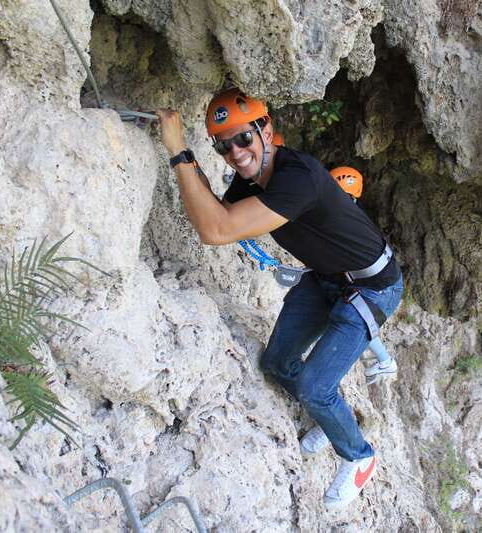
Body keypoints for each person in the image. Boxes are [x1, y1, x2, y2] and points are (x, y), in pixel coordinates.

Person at [156, 88, 403, 509]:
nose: (236, 153)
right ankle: (331, 418)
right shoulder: (250, 182)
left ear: (266, 131)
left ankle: (359, 456)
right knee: (277, 363)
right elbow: (214, 212)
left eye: (243, 139)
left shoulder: (297, 178)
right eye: (224, 146)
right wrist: (190, 160)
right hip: (326, 278)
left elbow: (216, 230)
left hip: (372, 286)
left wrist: (177, 151)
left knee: (313, 386)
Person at [329, 167, 398, 385]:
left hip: (366, 282)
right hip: (371, 279)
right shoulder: (354, 215)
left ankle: (385, 361)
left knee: (360, 319)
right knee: (362, 320)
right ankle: (384, 361)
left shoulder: (344, 219)